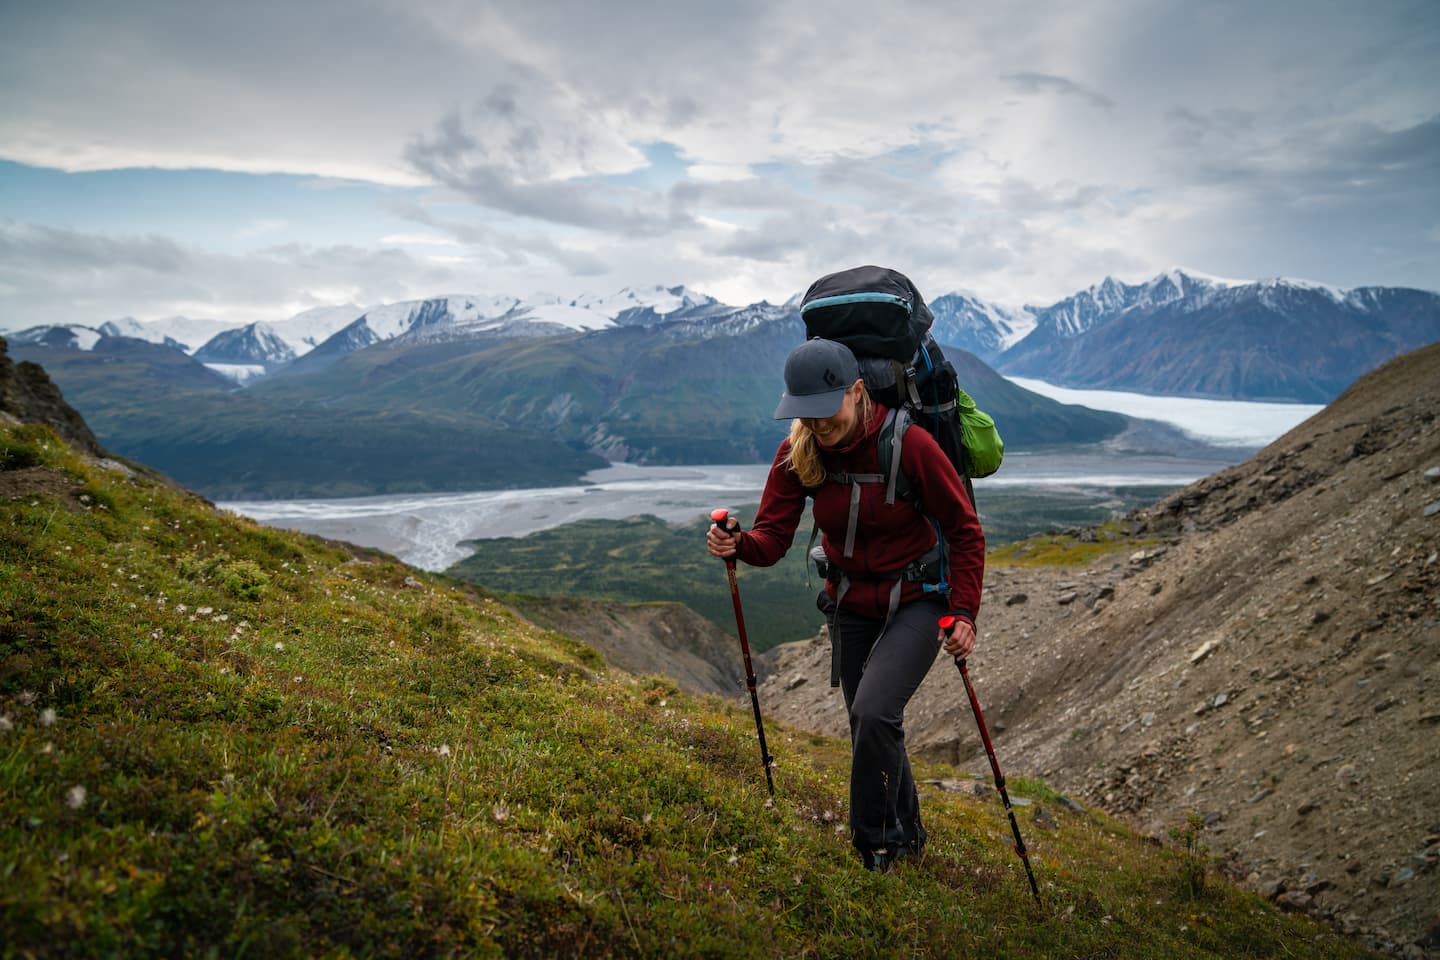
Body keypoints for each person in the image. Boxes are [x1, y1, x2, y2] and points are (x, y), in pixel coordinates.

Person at [707, 335, 985, 872]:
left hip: (919, 598)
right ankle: (909, 835)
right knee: (870, 724)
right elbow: (771, 539)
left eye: (826, 411)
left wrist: (966, 611)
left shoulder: (911, 445)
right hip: (851, 600)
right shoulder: (799, 451)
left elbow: (965, 531)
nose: (818, 424)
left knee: (875, 710)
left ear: (858, 391)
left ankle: (875, 844)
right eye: (805, 414)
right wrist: (737, 543)